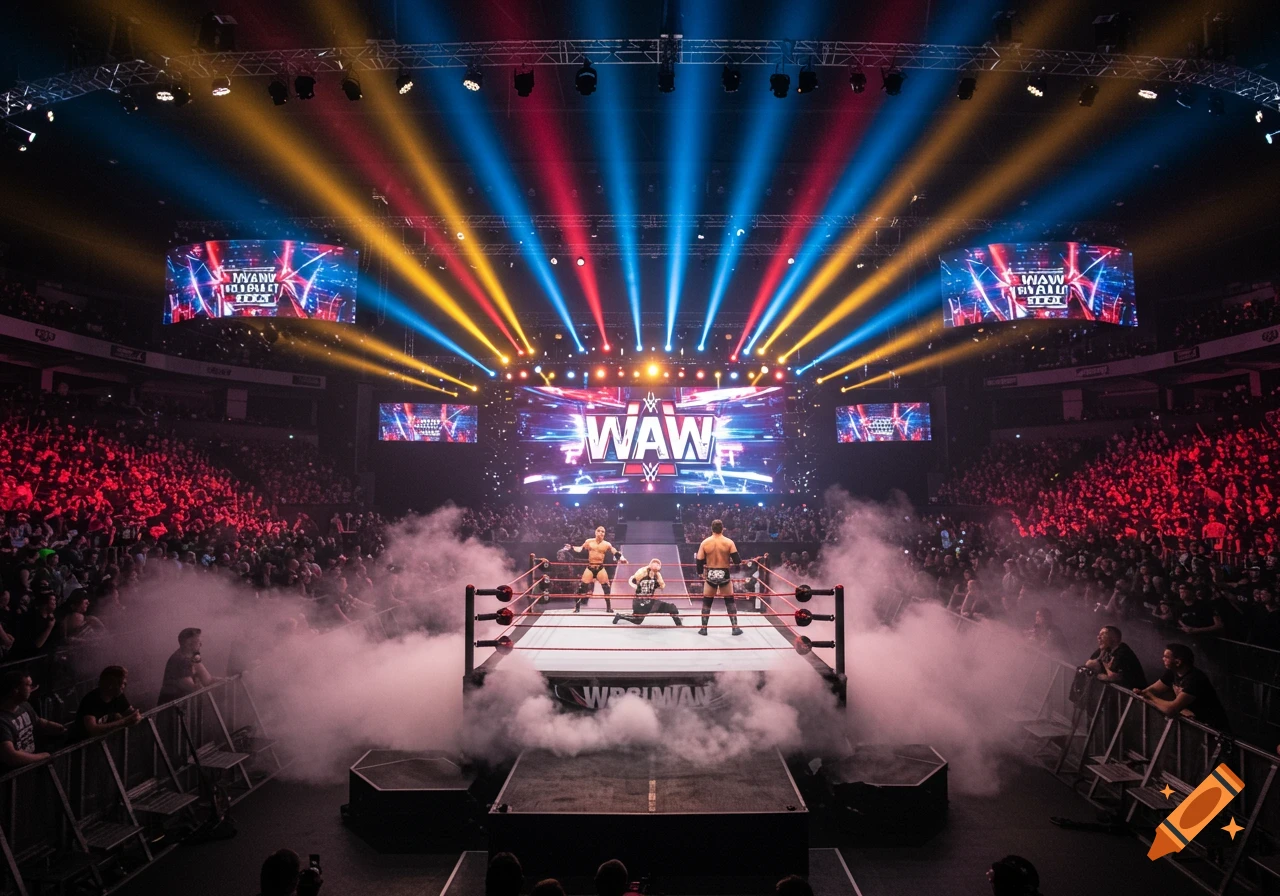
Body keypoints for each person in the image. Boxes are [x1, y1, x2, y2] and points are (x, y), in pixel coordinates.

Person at [1134, 643, 1231, 732]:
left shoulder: (1195, 679)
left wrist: (1150, 697)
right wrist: (1142, 693)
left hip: (1212, 728)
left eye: (1166, 657)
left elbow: (1171, 709)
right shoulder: (1172, 672)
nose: (1163, 659)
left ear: (1178, 662)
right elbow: (1152, 690)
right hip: (1195, 725)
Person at [0, 671, 66, 768]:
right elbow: (11, 756)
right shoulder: (2, 720)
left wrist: (59, 728)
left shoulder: (23, 705)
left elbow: (38, 721)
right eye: (28, 685)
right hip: (14, 775)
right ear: (16, 690)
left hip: (29, 767)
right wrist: (43, 757)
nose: (31, 688)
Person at [68, 666, 142, 742]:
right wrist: (124, 722)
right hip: (79, 745)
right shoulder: (91, 700)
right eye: (122, 683)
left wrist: (135, 716)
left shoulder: (118, 696)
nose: (124, 686)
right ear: (111, 685)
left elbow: (132, 714)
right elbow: (93, 730)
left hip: (98, 745)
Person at [696, 519, 743, 636]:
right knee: (729, 601)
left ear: (711, 529)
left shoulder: (705, 543)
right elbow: (737, 561)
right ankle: (735, 628)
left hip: (711, 572)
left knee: (707, 601)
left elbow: (699, 560)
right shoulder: (729, 542)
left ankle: (703, 629)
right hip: (724, 573)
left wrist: (700, 572)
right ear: (723, 529)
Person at [563, 526, 627, 613]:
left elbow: (614, 551)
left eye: (603, 532)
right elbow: (580, 549)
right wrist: (571, 547)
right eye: (599, 531)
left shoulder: (606, 544)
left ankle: (609, 608)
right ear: (595, 532)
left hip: (600, 567)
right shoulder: (589, 542)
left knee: (606, 588)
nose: (601, 533)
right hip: (590, 567)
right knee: (582, 588)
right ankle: (577, 608)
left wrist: (621, 558)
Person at [614, 559, 683, 626]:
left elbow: (662, 586)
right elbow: (633, 579)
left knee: (671, 608)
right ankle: (620, 616)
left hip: (647, 602)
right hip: (641, 602)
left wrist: (657, 576)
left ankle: (679, 624)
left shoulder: (655, 576)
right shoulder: (642, 573)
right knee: (637, 620)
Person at [157, 627, 217, 704]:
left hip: (183, 708)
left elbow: (208, 679)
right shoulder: (181, 660)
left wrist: (223, 680)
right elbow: (190, 687)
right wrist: (201, 687)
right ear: (188, 644)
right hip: (173, 708)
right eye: (198, 642)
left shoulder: (193, 656)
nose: (201, 644)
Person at [1082, 625, 1147, 690]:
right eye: (1099, 634)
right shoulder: (1105, 648)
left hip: (1137, 694)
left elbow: (1112, 677)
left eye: (1103, 634)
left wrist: (1102, 665)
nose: (1098, 637)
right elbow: (1089, 664)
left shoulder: (1123, 651)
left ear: (1114, 638)